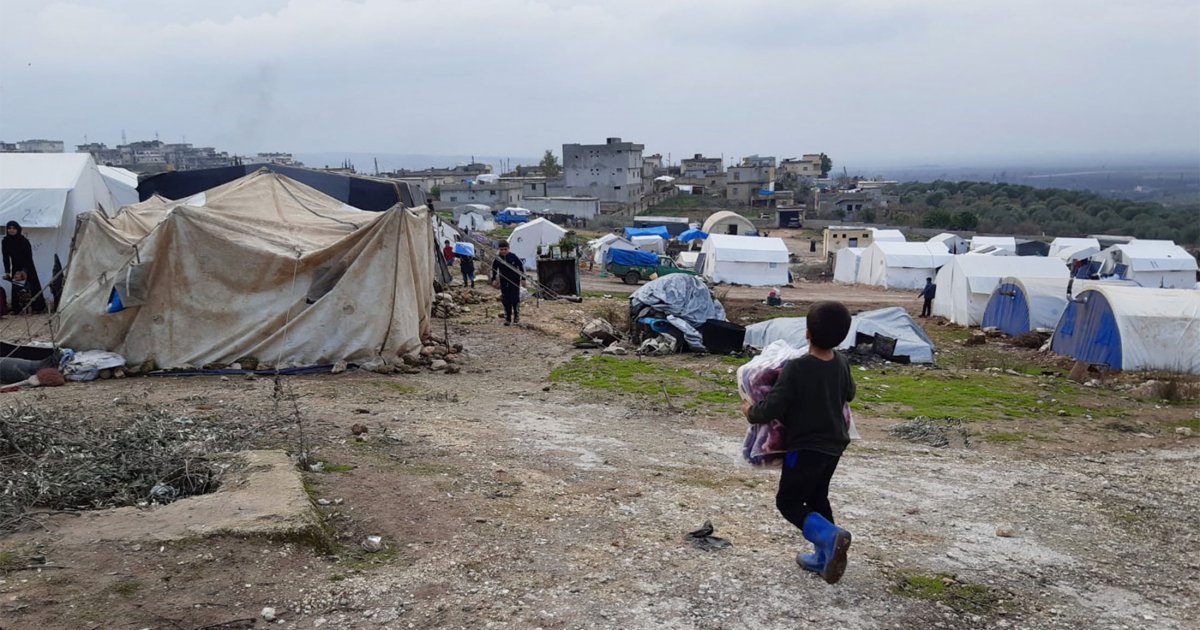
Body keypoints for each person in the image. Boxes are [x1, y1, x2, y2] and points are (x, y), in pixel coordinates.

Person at [741, 301, 856, 584]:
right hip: (834, 446)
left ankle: (830, 537)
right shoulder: (842, 362)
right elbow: (850, 394)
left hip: (803, 449)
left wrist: (749, 411)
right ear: (842, 336)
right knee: (817, 497)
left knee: (788, 501)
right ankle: (824, 557)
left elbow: (772, 408)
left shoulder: (796, 367)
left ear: (807, 333)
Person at [2, 221, 46, 314]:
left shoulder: (24, 241)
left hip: (28, 265)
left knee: (31, 286)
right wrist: (7, 271)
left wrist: (24, 270)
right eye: (9, 228)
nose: (11, 230)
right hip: (15, 266)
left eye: (14, 228)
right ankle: (17, 309)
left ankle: (36, 307)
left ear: (18, 229)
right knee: (16, 287)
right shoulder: (5, 241)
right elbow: (5, 257)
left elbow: (28, 257)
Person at [490, 240, 525, 326]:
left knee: (514, 299)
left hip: (515, 281)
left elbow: (521, 267)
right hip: (504, 281)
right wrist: (493, 279)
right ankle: (508, 318)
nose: (503, 251)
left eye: (505, 249)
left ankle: (516, 316)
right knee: (506, 300)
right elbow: (494, 269)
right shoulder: (498, 259)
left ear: (508, 249)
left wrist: (523, 279)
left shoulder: (513, 256)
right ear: (499, 249)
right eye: (501, 249)